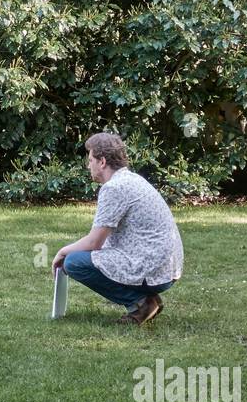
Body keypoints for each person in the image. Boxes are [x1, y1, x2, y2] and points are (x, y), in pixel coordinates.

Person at [52, 132, 184, 325]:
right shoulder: (131, 179)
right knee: (85, 257)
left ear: (102, 161)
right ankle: (148, 300)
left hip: (154, 270)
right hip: (166, 268)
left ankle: (141, 303)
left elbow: (94, 242)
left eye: (90, 160)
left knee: (73, 263)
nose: (88, 165)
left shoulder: (114, 188)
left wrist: (62, 252)